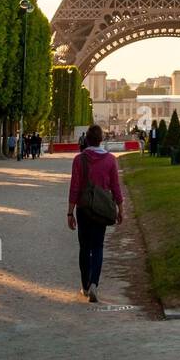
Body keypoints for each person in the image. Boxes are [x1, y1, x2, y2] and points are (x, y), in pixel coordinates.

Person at [67, 123, 123, 302]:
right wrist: (121, 209)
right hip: (101, 208)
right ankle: (94, 285)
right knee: (98, 246)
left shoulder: (79, 159)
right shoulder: (110, 160)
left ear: (86, 140)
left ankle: (85, 285)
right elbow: (115, 187)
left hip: (84, 208)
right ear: (101, 140)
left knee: (84, 247)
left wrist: (70, 212)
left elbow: (74, 188)